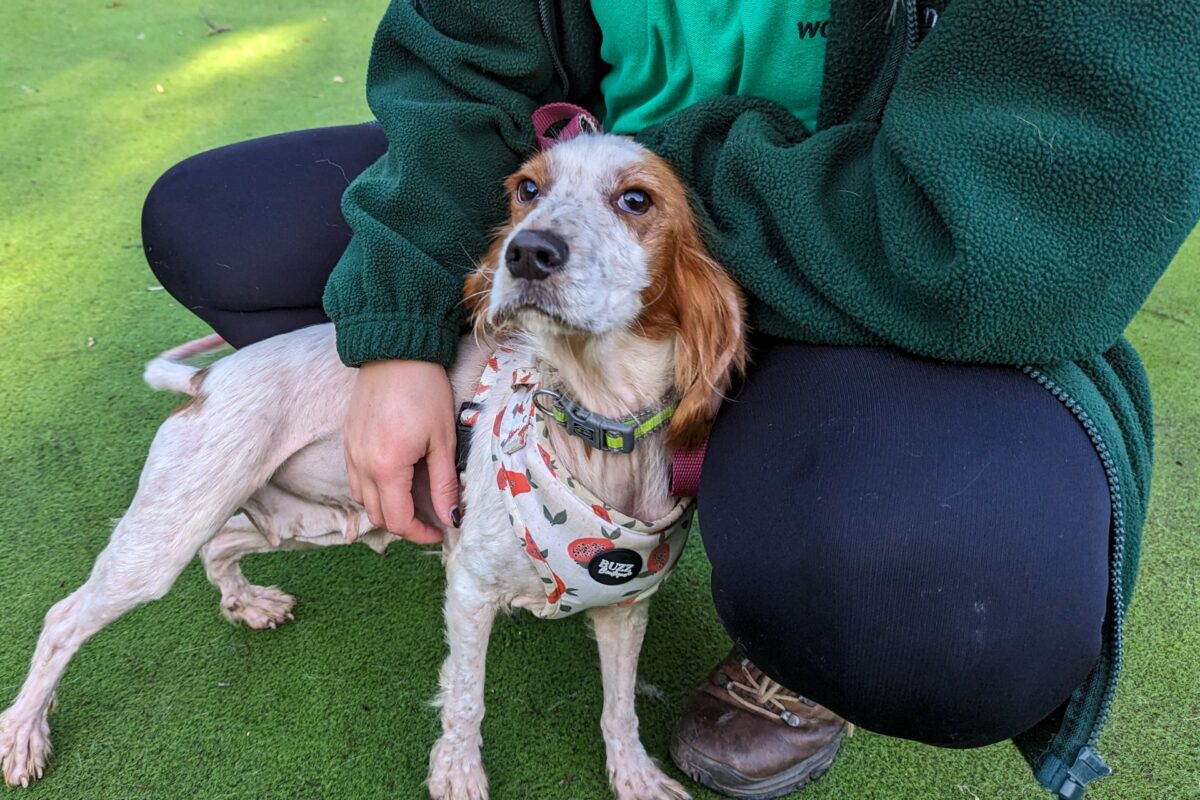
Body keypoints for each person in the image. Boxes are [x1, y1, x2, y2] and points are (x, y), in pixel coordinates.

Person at [140, 2, 1200, 797]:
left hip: (868, 251)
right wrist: (396, 332)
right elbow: (457, 53)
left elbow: (1012, 227)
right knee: (210, 221)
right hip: (596, 169)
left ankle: (776, 502)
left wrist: (658, 217)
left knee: (943, 608)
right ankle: (549, 418)